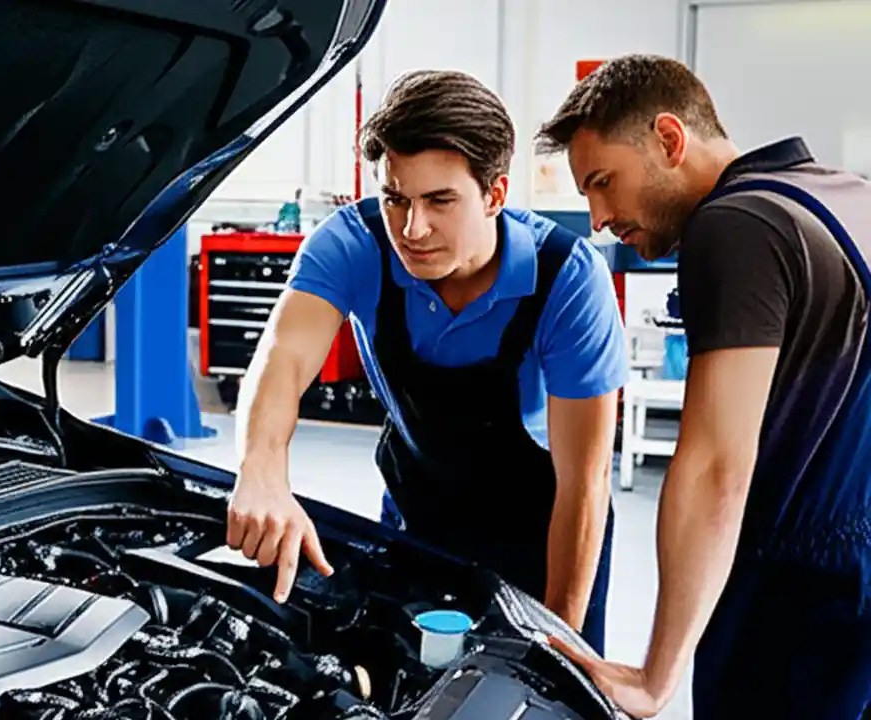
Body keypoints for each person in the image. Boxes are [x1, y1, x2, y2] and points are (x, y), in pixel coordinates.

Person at [226, 69, 628, 653]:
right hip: (420, 512)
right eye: (395, 198)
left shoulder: (566, 279)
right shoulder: (354, 243)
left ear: (494, 194)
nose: (412, 229)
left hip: (545, 531)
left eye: (440, 201)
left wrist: (555, 642)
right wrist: (260, 469)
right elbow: (283, 357)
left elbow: (583, 485)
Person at [535, 53, 871, 718]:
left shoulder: (736, 227)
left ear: (668, 137)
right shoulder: (844, 191)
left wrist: (656, 677)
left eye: (603, 182)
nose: (598, 217)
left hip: (797, 592)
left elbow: (718, 464)